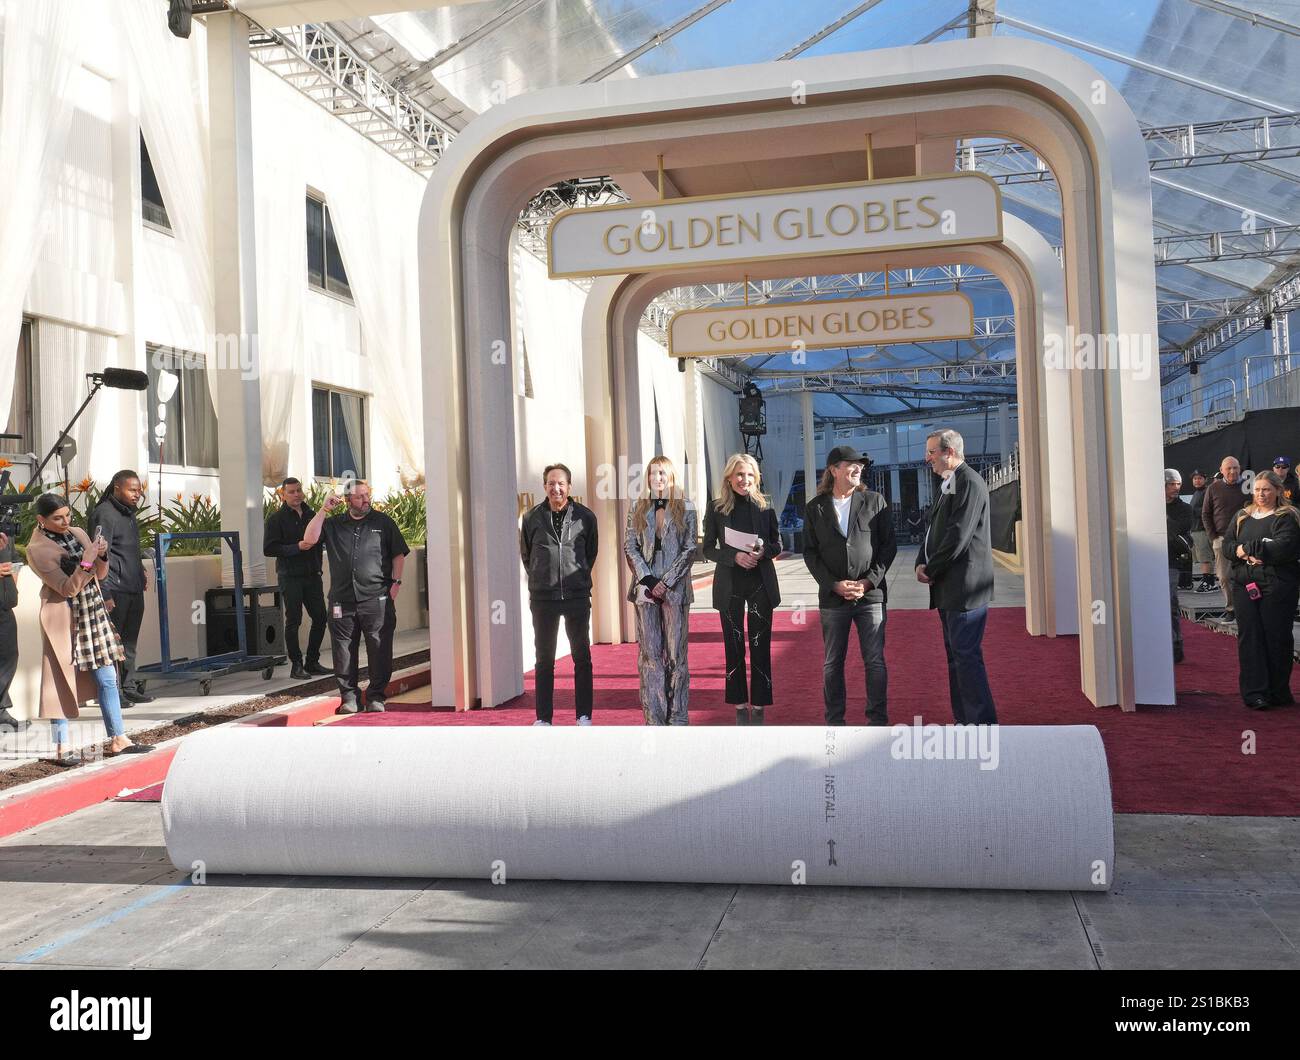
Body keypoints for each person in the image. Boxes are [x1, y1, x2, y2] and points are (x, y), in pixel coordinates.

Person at [26, 494, 154, 763]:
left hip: (93, 612)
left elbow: (101, 574)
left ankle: (118, 738)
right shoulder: (37, 550)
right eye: (57, 518)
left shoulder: (78, 532)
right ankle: (61, 748)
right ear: (41, 519)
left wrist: (102, 555)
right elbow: (66, 588)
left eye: (68, 515)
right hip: (64, 618)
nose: (65, 522)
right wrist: (86, 560)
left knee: (108, 677)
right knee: (60, 680)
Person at [803, 446, 897, 726]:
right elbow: (810, 553)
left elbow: (888, 546)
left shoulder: (874, 500)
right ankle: (834, 722)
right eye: (851, 464)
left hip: (870, 597)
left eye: (861, 465)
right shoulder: (815, 508)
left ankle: (877, 721)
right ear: (833, 470)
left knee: (875, 662)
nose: (858, 469)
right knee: (833, 664)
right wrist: (833, 584)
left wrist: (868, 582)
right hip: (833, 599)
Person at [302, 480, 408, 714]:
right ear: (348, 500)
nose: (366, 500)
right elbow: (309, 540)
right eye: (360, 497)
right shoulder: (333, 524)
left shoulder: (383, 522)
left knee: (379, 648)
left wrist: (396, 584)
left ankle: (376, 697)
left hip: (376, 598)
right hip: (342, 600)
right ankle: (349, 698)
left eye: (367, 495)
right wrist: (323, 510)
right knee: (343, 650)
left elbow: (398, 555)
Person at [915, 429, 998, 725]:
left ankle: (981, 724)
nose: (928, 459)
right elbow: (934, 530)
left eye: (932, 452)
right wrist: (921, 561)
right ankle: (965, 720)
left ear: (949, 452)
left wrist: (931, 567)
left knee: (966, 657)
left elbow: (958, 535)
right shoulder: (950, 482)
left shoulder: (969, 483)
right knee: (957, 658)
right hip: (950, 588)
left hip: (965, 589)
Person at [702, 453, 781, 725]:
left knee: (761, 646)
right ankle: (739, 704)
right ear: (729, 478)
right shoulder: (716, 508)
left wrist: (762, 551)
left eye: (749, 474)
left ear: (756, 478)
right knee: (733, 646)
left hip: (760, 583)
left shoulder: (766, 507)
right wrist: (733, 556)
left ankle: (759, 704)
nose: (744, 479)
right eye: (739, 474)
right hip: (730, 584)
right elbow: (707, 548)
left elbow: (777, 544)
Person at [520, 463, 599, 726]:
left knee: (581, 657)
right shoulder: (532, 518)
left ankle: (583, 715)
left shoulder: (585, 518)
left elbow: (590, 553)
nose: (556, 488)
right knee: (544, 659)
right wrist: (543, 577)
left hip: (576, 596)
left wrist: (577, 577)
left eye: (561, 483)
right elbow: (527, 556)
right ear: (544, 487)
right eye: (551, 483)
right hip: (544, 599)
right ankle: (543, 718)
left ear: (569, 486)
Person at [624, 456, 696, 725]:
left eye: (663, 474)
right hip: (645, 593)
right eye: (653, 474)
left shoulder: (686, 507)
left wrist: (665, 582)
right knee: (650, 656)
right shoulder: (637, 507)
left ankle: (677, 716)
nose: (658, 479)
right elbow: (630, 547)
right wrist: (648, 579)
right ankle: (654, 717)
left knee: (677, 656)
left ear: (672, 477)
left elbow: (690, 549)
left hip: (675, 592)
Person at [1219, 470, 1300, 709]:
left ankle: (1277, 691)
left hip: (1278, 586)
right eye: (1257, 490)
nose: (1261, 494)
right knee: (1250, 637)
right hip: (1245, 584)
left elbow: (1284, 547)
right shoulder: (1242, 515)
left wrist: (1247, 550)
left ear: (1277, 491)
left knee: (1276, 636)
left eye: (1266, 489)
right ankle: (1255, 693)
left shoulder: (1288, 516)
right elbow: (1228, 547)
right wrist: (1251, 550)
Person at [91, 470, 153, 705]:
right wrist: (104, 591)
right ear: (117, 488)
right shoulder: (104, 514)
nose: (137, 495)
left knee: (129, 642)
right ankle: (113, 692)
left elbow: (127, 548)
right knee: (114, 644)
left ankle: (128, 686)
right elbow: (99, 553)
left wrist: (140, 570)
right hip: (114, 589)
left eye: (139, 490)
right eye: (132, 490)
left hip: (132, 585)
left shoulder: (128, 513)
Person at [264, 477, 329, 680]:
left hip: (312, 575)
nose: (296, 494)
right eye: (291, 491)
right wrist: (296, 547)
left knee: (320, 618)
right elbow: (269, 548)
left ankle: (312, 661)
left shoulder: (313, 515)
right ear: (283, 495)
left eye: (299, 490)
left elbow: (324, 537)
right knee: (294, 620)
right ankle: (297, 665)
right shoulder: (276, 520)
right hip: (290, 576)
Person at [1202, 456, 1246, 617]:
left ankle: (1246, 608)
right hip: (1221, 539)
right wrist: (1213, 537)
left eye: (1235, 467)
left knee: (1247, 576)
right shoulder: (1213, 488)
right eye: (1229, 468)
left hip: (1245, 539)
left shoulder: (1248, 487)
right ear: (1221, 470)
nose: (1233, 471)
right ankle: (1231, 609)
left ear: (1240, 468)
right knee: (1224, 577)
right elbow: (1206, 514)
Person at [1165, 469, 1194, 664]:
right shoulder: (1149, 506)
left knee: (1170, 603)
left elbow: (1179, 534)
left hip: (1172, 561)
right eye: (1171, 484)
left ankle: (1176, 645)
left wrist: (1164, 520)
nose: (1175, 488)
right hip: (1149, 559)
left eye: (1178, 484)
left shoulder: (1185, 509)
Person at [0, 531, 28, 732]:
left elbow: (16, 561)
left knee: (9, 656)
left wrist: (11, 584)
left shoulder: (5, 535)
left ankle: (1, 710)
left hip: (4, 606)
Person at [1188, 469, 1216, 593]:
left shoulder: (1207, 492)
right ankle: (1210, 582)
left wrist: (1192, 511)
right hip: (1195, 529)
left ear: (1205, 479)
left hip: (1202, 530)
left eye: (1199, 478)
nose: (1197, 480)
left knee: (1205, 557)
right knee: (1201, 557)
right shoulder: (1196, 493)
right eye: (1195, 478)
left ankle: (1208, 583)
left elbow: (1210, 510)